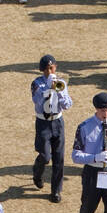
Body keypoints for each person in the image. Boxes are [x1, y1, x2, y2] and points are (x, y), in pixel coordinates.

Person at [31, 54, 71, 202]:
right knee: (45, 156)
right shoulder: (37, 83)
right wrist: (48, 88)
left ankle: (56, 190)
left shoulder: (61, 83)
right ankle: (37, 172)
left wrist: (59, 92)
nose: (50, 71)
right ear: (42, 70)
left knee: (59, 158)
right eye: (47, 69)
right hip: (43, 123)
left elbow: (67, 105)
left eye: (52, 67)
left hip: (58, 122)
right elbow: (37, 101)